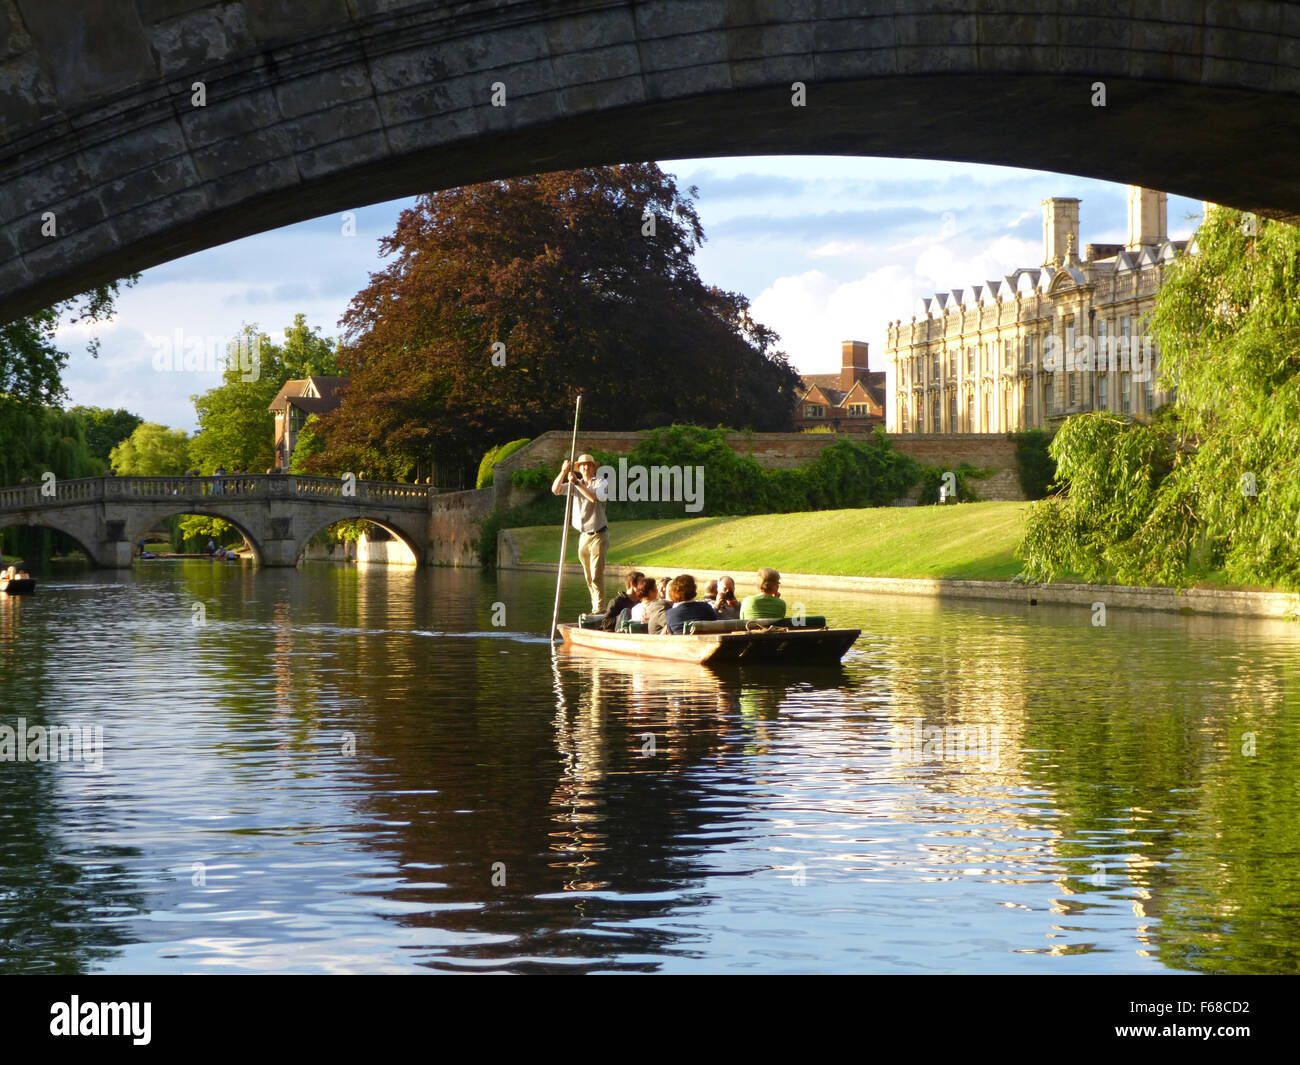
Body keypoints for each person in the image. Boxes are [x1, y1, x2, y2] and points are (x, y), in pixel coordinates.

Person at [551, 452, 608, 613]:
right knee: (589, 576)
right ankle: (595, 606)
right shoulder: (574, 483)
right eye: (581, 465)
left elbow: (593, 498)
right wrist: (563, 472)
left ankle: (600, 608)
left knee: (596, 574)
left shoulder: (601, 482)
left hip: (599, 534)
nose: (584, 467)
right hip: (584, 535)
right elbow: (555, 490)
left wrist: (576, 483)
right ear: (578, 468)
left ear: (592, 467)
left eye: (587, 465)